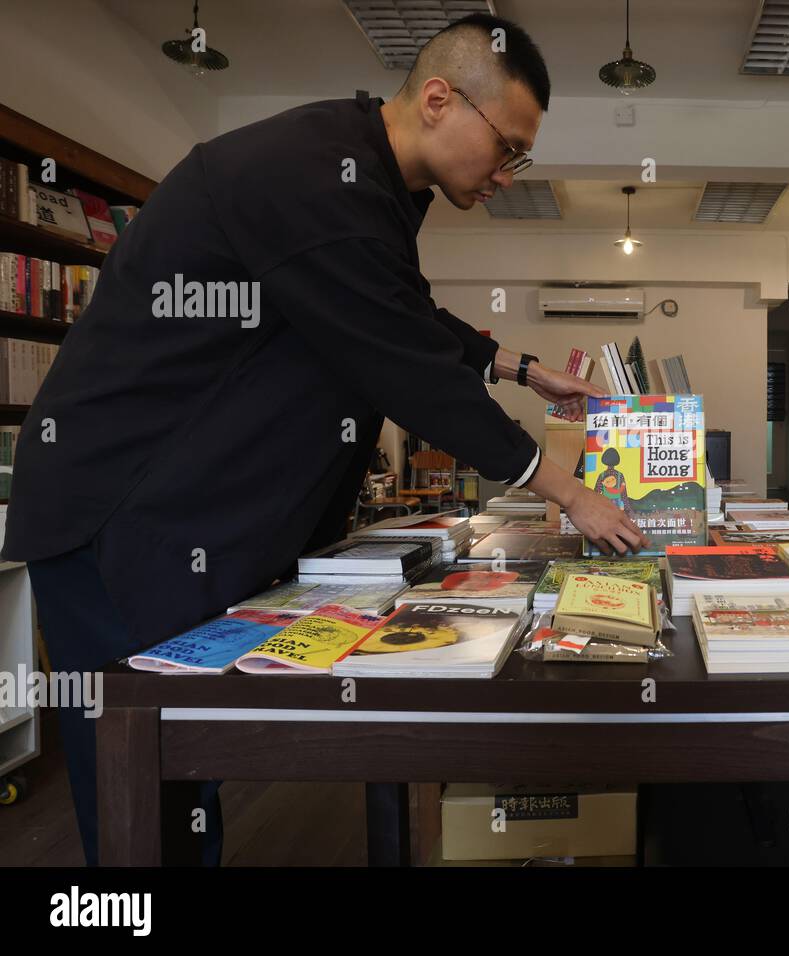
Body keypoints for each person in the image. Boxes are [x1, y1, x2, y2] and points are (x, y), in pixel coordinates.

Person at [2, 12, 647, 866]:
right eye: (508, 147)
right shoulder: (317, 176)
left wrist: (521, 366)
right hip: (118, 509)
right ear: (439, 99)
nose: (507, 172)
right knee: (142, 782)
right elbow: (404, 362)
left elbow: (397, 310)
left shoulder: (370, 181)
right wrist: (569, 492)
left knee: (185, 764)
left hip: (176, 515)